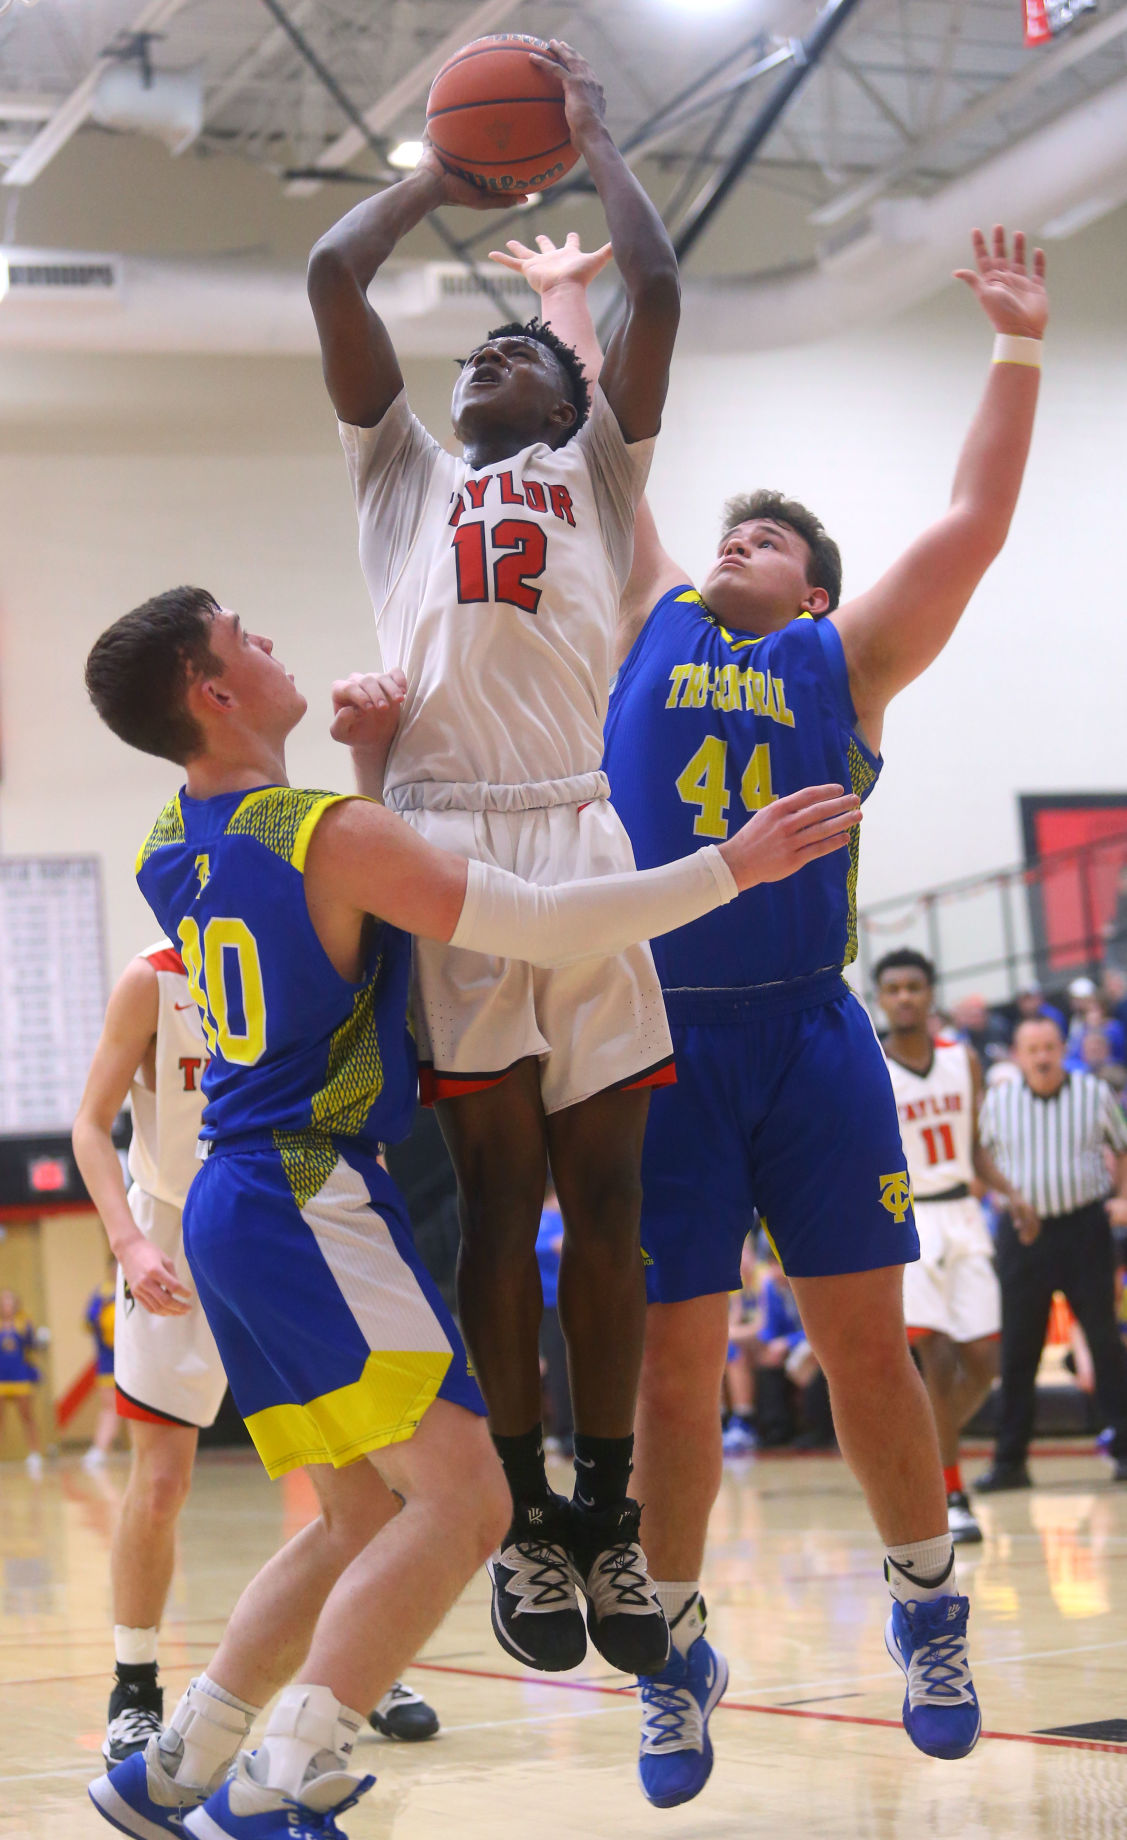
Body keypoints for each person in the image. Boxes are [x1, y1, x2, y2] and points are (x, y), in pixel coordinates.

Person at [82, 587, 858, 1839]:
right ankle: (289, 1772)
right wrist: (735, 864)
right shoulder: (322, 833)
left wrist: (373, 762)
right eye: (245, 634)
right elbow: (541, 923)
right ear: (212, 691)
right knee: (467, 1507)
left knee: (357, 1516)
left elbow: (326, 900)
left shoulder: (171, 839)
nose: (271, 637)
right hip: (306, 1190)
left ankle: (173, 1766)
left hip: (231, 1202)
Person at [501, 218, 1047, 1798]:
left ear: (809, 590)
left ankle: (924, 1608)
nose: (732, 541)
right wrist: (562, 306)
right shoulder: (645, 614)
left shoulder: (845, 659)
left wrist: (1014, 343)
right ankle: (670, 1652)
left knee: (862, 1350)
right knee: (671, 1372)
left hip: (804, 1037)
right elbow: (595, 454)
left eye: (766, 541)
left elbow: (973, 521)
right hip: (652, 1031)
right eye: (726, 532)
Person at [307, 39, 688, 1677]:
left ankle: (605, 1516)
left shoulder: (597, 475)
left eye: (519, 351)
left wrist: (591, 138)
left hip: (577, 836)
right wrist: (433, 183)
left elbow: (655, 295)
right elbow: (334, 274)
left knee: (607, 1204)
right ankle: (528, 1522)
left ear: (568, 397)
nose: (486, 358)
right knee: (497, 1215)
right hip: (456, 865)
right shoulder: (404, 483)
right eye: (474, 352)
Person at [73, 943, 441, 1764]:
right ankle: (134, 1688)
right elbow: (89, 1126)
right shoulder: (151, 978)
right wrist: (128, 1243)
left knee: (358, 1478)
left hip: (278, 1211)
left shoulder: (297, 966)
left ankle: (359, 1668)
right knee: (162, 1480)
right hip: (169, 1230)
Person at [874, 949, 1037, 1544]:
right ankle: (950, 1491)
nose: (905, 997)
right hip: (908, 1219)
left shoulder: (962, 1060)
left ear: (931, 993)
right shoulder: (872, 1066)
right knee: (936, 1362)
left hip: (964, 1217)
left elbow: (974, 1148)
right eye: (893, 989)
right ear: (882, 998)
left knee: (987, 1361)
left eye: (915, 986)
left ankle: (921, 1448)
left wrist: (1011, 1193)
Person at [974, 1017, 1127, 1492]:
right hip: (1022, 1234)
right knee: (1019, 1348)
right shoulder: (997, 1103)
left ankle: (1124, 1449)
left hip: (1084, 1229)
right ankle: (1010, 1461)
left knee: (1104, 1342)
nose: (1041, 1056)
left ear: (1063, 1048)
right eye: (1031, 1048)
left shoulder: (1093, 1093)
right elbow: (980, 1162)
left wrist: (1121, 1195)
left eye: (1048, 1047)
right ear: (1018, 1055)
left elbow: (1120, 1149)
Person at [82, 1259, 122, 1470]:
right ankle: (100, 1449)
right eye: (113, 1267)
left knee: (140, 1406)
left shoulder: (134, 1288)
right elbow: (88, 1322)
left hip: (134, 1359)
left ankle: (142, 1449)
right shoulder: (101, 1294)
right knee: (110, 1407)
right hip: (108, 1360)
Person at [0, 1289, 45, 1476]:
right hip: (2, 1378)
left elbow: (33, 1346)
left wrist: (41, 1339)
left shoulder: (23, 1323)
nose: (6, 1305)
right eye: (3, 1301)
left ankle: (34, 1453)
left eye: (9, 1301)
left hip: (20, 1378)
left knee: (27, 1416)